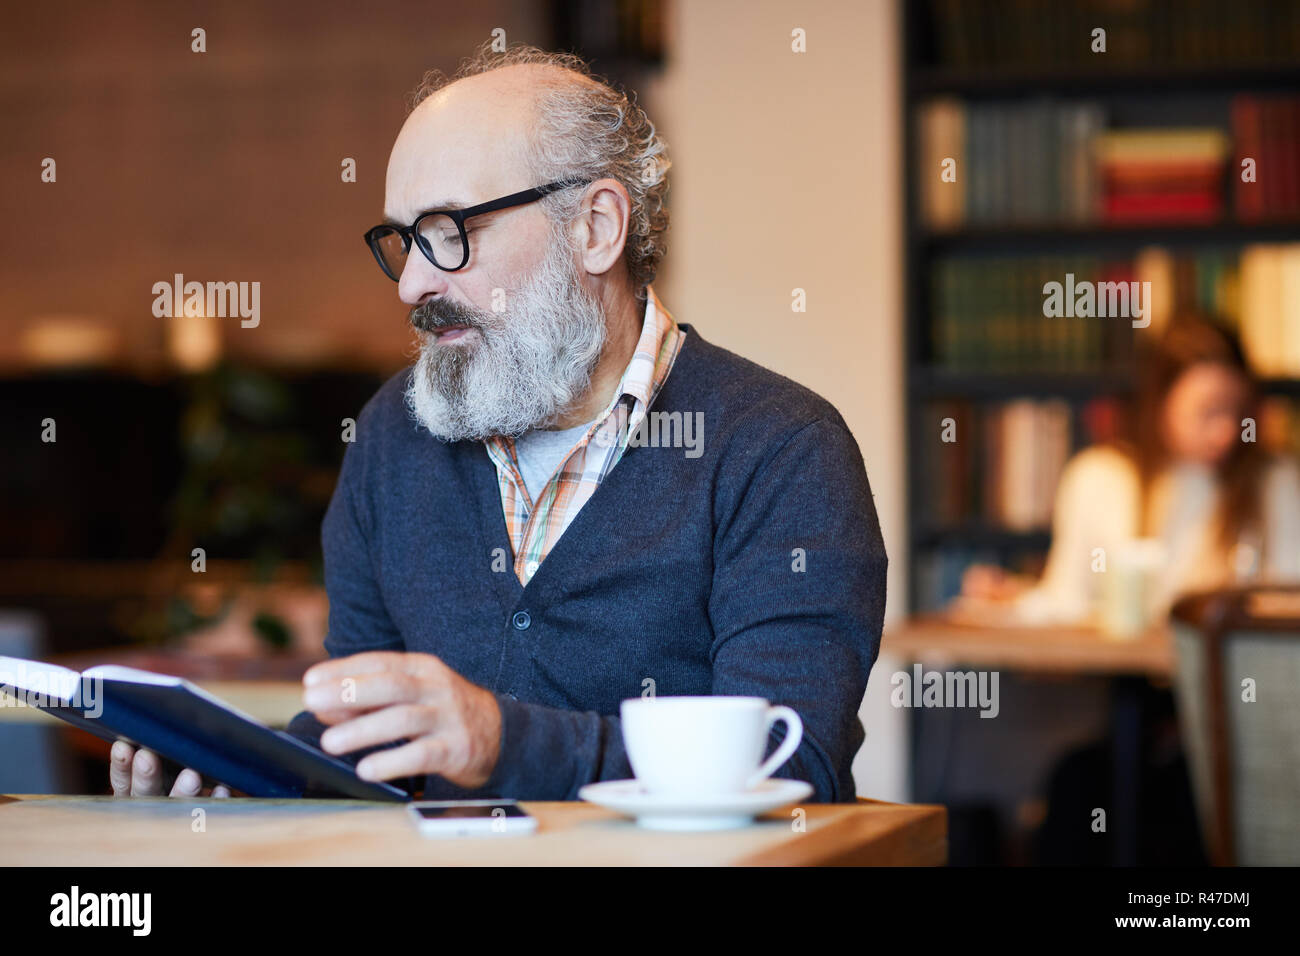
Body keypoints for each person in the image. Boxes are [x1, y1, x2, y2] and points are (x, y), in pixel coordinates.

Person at [110, 43, 887, 801]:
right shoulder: (391, 438)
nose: (412, 283)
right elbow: (374, 739)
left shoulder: (781, 449)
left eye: (450, 232)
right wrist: (236, 771)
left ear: (596, 228)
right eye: (402, 240)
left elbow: (793, 769)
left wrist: (498, 743)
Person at [961, 315, 1300, 625]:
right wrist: (1013, 600)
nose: (1226, 431)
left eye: (1236, 410)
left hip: (1233, 682)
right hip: (1122, 681)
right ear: (1161, 403)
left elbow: (1286, 599)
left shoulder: (1273, 480)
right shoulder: (1100, 478)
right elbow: (1070, 600)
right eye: (1207, 411)